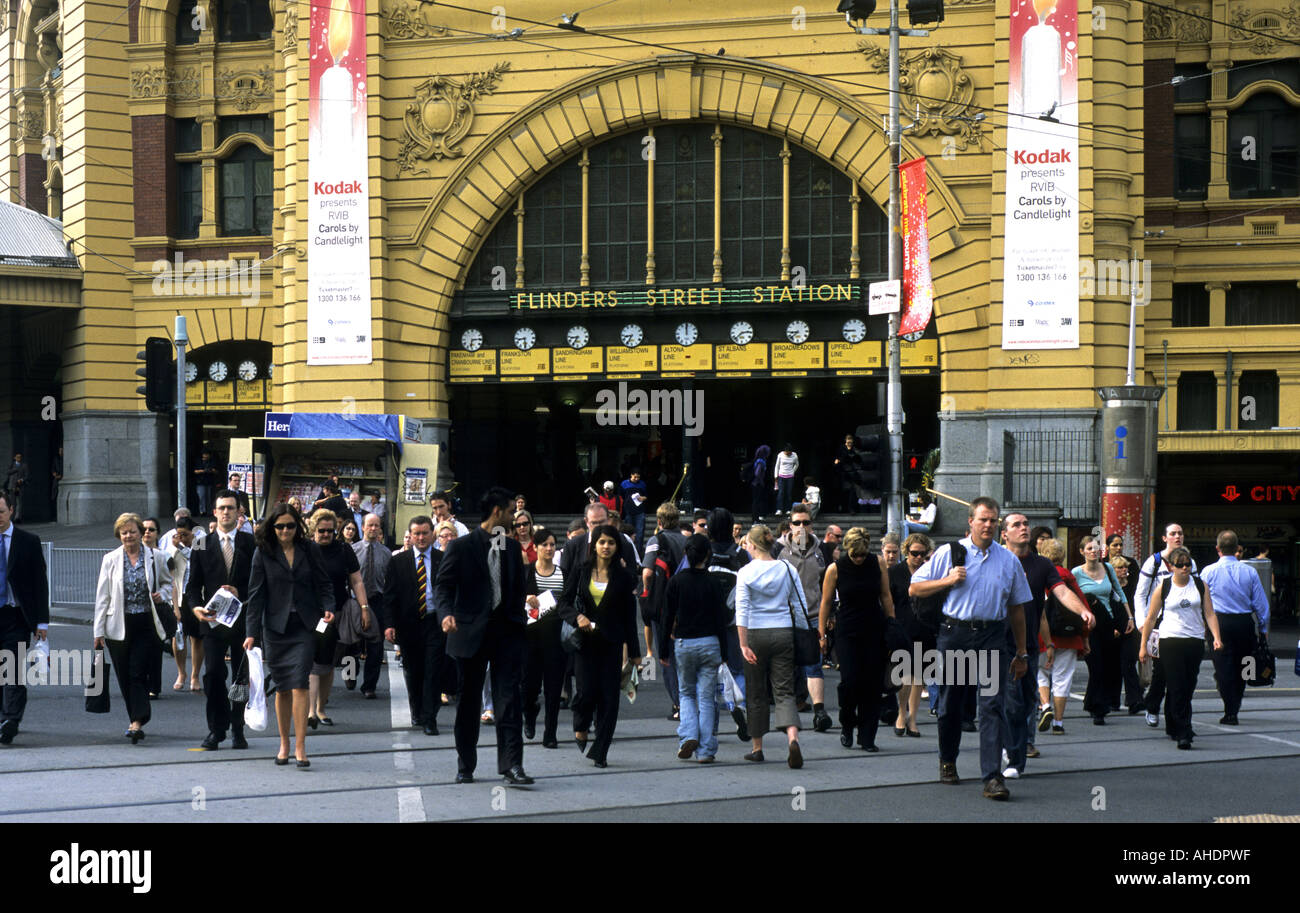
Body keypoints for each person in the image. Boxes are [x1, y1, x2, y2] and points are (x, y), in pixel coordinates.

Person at [909, 497, 1032, 800]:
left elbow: (1017, 609)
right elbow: (915, 586)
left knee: (991, 706)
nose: (988, 525)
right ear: (971, 522)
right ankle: (947, 759)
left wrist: (1021, 652)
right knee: (951, 704)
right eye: (983, 520)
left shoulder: (1008, 560)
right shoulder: (949, 553)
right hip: (955, 634)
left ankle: (992, 777)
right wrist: (947, 580)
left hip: (992, 636)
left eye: (993, 520)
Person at [433, 487, 534, 786]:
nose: (514, 518)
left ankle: (512, 766)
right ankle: (466, 765)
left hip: (506, 634)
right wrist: (446, 614)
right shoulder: (462, 546)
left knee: (508, 700)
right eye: (509, 512)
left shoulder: (512, 548)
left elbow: (516, 590)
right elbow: (443, 586)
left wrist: (518, 621)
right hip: (469, 633)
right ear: (496, 512)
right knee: (468, 703)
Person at [243, 503, 333, 768]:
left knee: (301, 683)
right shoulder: (263, 553)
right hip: (275, 628)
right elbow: (255, 595)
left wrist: (329, 607)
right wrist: (251, 634)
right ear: (272, 527)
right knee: (282, 688)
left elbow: (325, 583)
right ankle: (283, 744)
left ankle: (300, 747)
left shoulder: (310, 549)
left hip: (305, 626)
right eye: (280, 526)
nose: (285, 530)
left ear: (298, 526)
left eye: (290, 526)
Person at [1001, 513, 1091, 777]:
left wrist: (1082, 611)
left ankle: (1018, 752)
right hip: (994, 642)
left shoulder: (1042, 565)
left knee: (1024, 701)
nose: (1023, 528)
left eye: (1025, 524)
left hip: (1027, 645)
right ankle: (1011, 751)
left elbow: (1061, 592)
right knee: (1002, 701)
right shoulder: (995, 559)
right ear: (1004, 533)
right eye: (1016, 525)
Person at [559, 523, 641, 768]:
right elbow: (563, 602)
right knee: (585, 692)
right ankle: (581, 724)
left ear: (618, 547)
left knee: (609, 698)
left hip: (612, 643)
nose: (606, 547)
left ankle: (601, 750)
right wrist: (577, 617)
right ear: (594, 545)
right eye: (602, 542)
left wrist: (635, 653)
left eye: (611, 543)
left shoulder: (625, 577)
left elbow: (629, 614)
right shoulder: (581, 570)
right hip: (585, 643)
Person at [93, 513, 173, 744]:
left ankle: (137, 721)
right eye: (124, 532)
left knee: (137, 672)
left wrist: (162, 595)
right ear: (119, 535)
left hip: (147, 622)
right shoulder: (110, 559)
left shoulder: (156, 557)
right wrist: (98, 632)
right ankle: (135, 718)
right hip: (118, 624)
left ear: (141, 533)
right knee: (124, 674)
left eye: (132, 531)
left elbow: (168, 583)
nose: (128, 535)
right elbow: (103, 597)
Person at [186, 489, 255, 751]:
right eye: (221, 508)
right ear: (214, 512)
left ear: (239, 513)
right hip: (212, 622)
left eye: (231, 508)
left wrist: (243, 594)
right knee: (213, 674)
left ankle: (238, 727)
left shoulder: (250, 542)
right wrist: (195, 608)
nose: (226, 512)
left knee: (240, 678)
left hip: (242, 623)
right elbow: (192, 587)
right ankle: (216, 729)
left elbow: (259, 583)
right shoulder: (201, 543)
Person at [736, 524, 808, 767]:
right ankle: (792, 739)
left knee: (756, 692)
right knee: (784, 690)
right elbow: (799, 605)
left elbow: (742, 610)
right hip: (783, 632)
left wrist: (743, 644)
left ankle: (757, 748)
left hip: (755, 633)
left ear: (753, 546)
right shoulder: (787, 568)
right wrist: (803, 633)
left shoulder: (745, 572)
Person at [1139, 547, 1223, 749]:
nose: (1185, 568)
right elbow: (1151, 618)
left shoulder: (1200, 585)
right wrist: (1143, 646)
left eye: (1188, 564)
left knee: (1187, 686)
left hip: (1194, 641)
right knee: (1176, 686)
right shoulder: (1164, 587)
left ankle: (1173, 724)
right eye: (1180, 565)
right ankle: (1184, 731)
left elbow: (1209, 613)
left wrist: (1217, 638)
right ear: (1172, 567)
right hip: (1170, 640)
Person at [819, 528, 894, 752]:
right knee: (850, 682)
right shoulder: (835, 569)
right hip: (847, 630)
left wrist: (892, 625)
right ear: (847, 551)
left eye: (862, 555)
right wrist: (821, 633)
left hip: (874, 627)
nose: (859, 559)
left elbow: (886, 595)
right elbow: (825, 602)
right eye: (855, 556)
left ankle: (867, 736)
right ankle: (847, 724)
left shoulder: (877, 563)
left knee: (872, 684)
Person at [660, 533, 731, 762]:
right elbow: (721, 619)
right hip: (710, 642)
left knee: (686, 693)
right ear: (707, 555)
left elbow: (667, 617)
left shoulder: (677, 582)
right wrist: (725, 652)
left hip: (684, 643)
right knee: (706, 697)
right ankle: (706, 749)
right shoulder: (713, 582)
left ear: (685, 554)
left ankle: (688, 735)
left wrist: (662, 649)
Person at [381, 516, 448, 736]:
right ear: (410, 535)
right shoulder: (399, 561)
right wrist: (389, 624)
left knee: (433, 670)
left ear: (432, 534)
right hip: (408, 624)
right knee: (413, 670)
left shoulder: (443, 558)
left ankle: (430, 718)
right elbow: (389, 596)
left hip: (434, 622)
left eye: (425, 533)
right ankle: (417, 710)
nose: (420, 537)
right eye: (416, 533)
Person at [305, 509, 368, 727]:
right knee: (313, 663)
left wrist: (364, 607)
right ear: (313, 529)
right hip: (310, 614)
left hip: (337, 613)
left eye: (330, 531)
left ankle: (321, 708)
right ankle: (311, 711)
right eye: (322, 530)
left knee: (329, 663)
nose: (326, 534)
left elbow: (357, 581)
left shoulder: (344, 550)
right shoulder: (305, 549)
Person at [1202, 529, 1270, 725]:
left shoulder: (1208, 571)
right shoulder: (1250, 571)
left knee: (1222, 667)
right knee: (1244, 666)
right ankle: (1234, 707)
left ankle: (1229, 706)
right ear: (1237, 549)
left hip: (1219, 624)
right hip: (1244, 624)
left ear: (1218, 549)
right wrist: (1263, 629)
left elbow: (1203, 603)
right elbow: (1261, 604)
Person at [1133, 523, 1197, 729]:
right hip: (1159, 621)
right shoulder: (1154, 562)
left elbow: (1196, 592)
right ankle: (1153, 706)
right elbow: (1140, 594)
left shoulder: (1190, 563)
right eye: (1173, 533)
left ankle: (1173, 712)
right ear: (1164, 538)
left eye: (1180, 533)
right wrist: (1142, 622)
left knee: (1180, 674)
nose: (1177, 536)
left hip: (1184, 622)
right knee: (1161, 670)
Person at [0, 490, 49, 745]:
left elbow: (40, 583)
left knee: (13, 671)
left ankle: (11, 720)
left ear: (10, 511)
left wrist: (42, 622)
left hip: (16, 617)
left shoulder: (28, 541)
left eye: (0, 511)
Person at [777, 503, 831, 733]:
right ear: (790, 525)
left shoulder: (822, 551)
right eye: (797, 522)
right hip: (785, 616)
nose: (801, 527)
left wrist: (829, 615)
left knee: (814, 665)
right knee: (785, 667)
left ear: (811, 525)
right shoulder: (778, 550)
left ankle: (819, 712)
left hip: (812, 615)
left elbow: (828, 586)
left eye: (805, 522)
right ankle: (786, 714)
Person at [1072, 536, 1132, 725]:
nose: (1093, 551)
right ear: (1082, 552)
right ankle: (1098, 708)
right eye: (1089, 548)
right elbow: (1069, 596)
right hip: (1088, 626)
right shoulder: (1076, 573)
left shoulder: (1107, 569)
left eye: (1096, 548)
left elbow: (1119, 592)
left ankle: (1093, 702)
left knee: (1107, 666)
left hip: (1108, 622)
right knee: (1096, 666)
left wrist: (1129, 617)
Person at [1035, 538, 1090, 737]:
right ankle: (1058, 722)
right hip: (1068, 637)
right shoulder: (1068, 577)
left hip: (1043, 636)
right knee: (1063, 679)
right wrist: (1084, 637)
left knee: (1040, 672)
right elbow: (1082, 605)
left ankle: (1045, 705)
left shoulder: (1039, 575)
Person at [640, 501, 686, 719]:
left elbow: (647, 572)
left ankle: (677, 703)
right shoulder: (687, 540)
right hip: (685, 604)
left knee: (666, 655)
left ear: (659, 521)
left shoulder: (655, 540)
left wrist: (647, 592)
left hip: (664, 605)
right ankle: (688, 699)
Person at [523, 527, 565, 748]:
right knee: (529, 687)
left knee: (553, 688)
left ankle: (551, 733)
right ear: (536, 548)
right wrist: (527, 597)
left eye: (552, 544)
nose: (549, 549)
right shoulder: (527, 572)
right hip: (531, 639)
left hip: (555, 639)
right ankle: (529, 714)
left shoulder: (562, 573)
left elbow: (568, 602)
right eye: (544, 545)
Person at [891, 533, 932, 736]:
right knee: (905, 673)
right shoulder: (895, 572)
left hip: (925, 626)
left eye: (922, 554)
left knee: (920, 675)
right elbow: (887, 599)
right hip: (902, 626)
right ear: (907, 551)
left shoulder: (931, 571)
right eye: (915, 553)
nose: (918, 557)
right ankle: (901, 713)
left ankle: (913, 718)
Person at [353, 513, 392, 699]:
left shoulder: (386, 553)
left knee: (375, 647)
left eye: (377, 526)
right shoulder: (353, 550)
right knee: (351, 645)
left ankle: (369, 686)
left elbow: (390, 583)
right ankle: (350, 674)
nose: (373, 529)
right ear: (363, 527)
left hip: (377, 601)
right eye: (370, 525)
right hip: (355, 603)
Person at [1104, 534, 1143, 714]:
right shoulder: (1104, 570)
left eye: (1120, 545)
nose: (1118, 548)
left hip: (1129, 624)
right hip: (1111, 625)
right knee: (1112, 665)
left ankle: (1134, 700)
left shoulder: (1132, 568)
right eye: (1115, 545)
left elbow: (1138, 598)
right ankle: (1111, 699)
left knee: (1128, 663)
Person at [165, 518, 197, 692]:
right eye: (179, 534)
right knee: (178, 638)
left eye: (185, 534)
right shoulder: (172, 546)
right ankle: (181, 673)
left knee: (197, 638)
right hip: (178, 597)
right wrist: (174, 547)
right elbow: (166, 564)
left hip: (197, 596)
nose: (182, 538)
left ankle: (195, 675)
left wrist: (182, 547)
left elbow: (196, 558)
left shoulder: (200, 544)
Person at [620, 469, 648, 548]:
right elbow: (621, 496)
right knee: (628, 533)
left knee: (639, 534)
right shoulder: (624, 484)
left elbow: (646, 496)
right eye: (635, 477)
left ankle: (639, 551)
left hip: (640, 511)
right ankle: (628, 550)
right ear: (631, 475)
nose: (636, 479)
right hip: (628, 511)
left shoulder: (642, 484)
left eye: (638, 477)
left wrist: (643, 498)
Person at [833, 434, 861, 513]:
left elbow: (857, 457)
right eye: (847, 440)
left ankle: (851, 508)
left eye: (850, 440)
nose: (849, 442)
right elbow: (839, 458)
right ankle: (842, 507)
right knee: (843, 491)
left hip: (853, 472)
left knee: (853, 491)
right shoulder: (841, 448)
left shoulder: (855, 448)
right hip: (843, 472)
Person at [773, 444, 799, 516]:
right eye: (787, 452)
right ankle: (779, 509)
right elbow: (777, 466)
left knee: (788, 493)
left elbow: (797, 464)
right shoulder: (780, 455)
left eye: (789, 452)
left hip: (790, 476)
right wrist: (776, 476)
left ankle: (788, 509)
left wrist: (793, 471)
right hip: (781, 476)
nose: (788, 453)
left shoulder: (794, 455)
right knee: (781, 493)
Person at [748, 445, 771, 524]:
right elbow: (757, 473)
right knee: (756, 502)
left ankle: (756, 518)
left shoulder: (758, 460)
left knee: (756, 501)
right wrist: (761, 481)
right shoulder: (761, 461)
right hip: (757, 484)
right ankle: (755, 519)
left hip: (755, 483)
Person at [193, 451, 218, 515]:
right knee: (201, 497)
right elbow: (195, 471)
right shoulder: (199, 462)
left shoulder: (212, 462)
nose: (206, 456)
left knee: (208, 497)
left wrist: (211, 470)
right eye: (204, 455)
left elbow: (216, 471)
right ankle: (202, 511)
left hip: (209, 482)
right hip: (200, 482)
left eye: (207, 455)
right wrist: (203, 471)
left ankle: (209, 511)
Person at [5, 454, 28, 522]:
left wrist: (22, 480)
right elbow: (8, 472)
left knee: (19, 502)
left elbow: (26, 476)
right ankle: (11, 517)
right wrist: (15, 469)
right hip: (12, 486)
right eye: (17, 457)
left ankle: (17, 518)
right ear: (15, 458)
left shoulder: (24, 465)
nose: (19, 458)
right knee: (12, 502)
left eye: (20, 457)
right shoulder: (12, 465)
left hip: (20, 486)